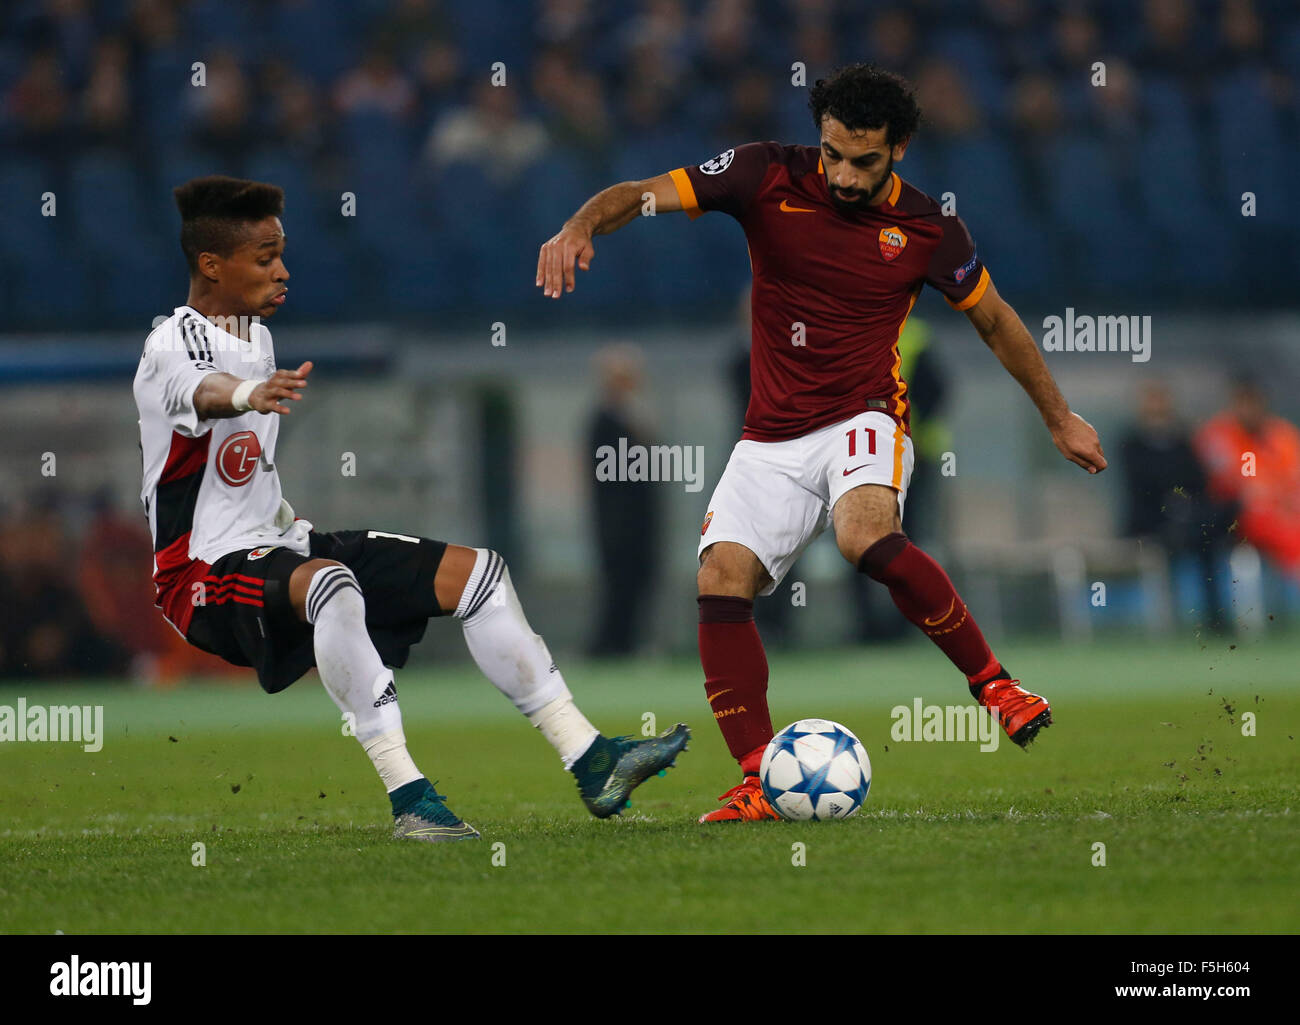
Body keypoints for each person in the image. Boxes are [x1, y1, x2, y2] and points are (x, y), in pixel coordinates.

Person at [537, 64, 1106, 822]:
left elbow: (996, 321)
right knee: (719, 578)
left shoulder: (933, 231)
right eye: (833, 152)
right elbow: (640, 194)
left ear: (899, 148)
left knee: (864, 534)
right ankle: (756, 780)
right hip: (770, 433)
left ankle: (995, 683)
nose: (842, 174)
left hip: (864, 414)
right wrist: (580, 225)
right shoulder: (762, 172)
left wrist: (1058, 415)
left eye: (863, 160)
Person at [135, 176, 688, 843]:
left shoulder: (254, 334)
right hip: (199, 574)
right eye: (264, 258)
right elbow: (205, 390)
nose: (283, 271)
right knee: (333, 587)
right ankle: (409, 796)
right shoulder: (171, 344)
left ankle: (591, 757)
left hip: (280, 542)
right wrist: (249, 393)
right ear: (211, 265)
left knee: (479, 574)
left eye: (281, 253)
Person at [1118, 382, 1234, 631]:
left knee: (1207, 542)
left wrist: (1181, 503)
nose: (1157, 406)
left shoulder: (1185, 441)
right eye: (1151, 399)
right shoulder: (1131, 443)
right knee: (1182, 541)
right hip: (1149, 523)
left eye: (1160, 399)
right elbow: (1140, 489)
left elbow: (1197, 481)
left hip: (1188, 520)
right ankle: (1171, 623)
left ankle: (1215, 619)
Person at [587, 344, 662, 656]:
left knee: (640, 579)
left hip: (640, 518)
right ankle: (611, 645)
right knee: (619, 583)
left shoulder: (635, 417)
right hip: (617, 520)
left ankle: (627, 642)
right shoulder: (604, 421)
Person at [1195, 377, 1300, 581]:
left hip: (1281, 509)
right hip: (1236, 514)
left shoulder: (1280, 434)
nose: (1249, 409)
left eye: (1254, 402)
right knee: (1272, 520)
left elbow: (1293, 478)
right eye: (1244, 402)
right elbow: (1243, 485)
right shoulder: (1221, 435)